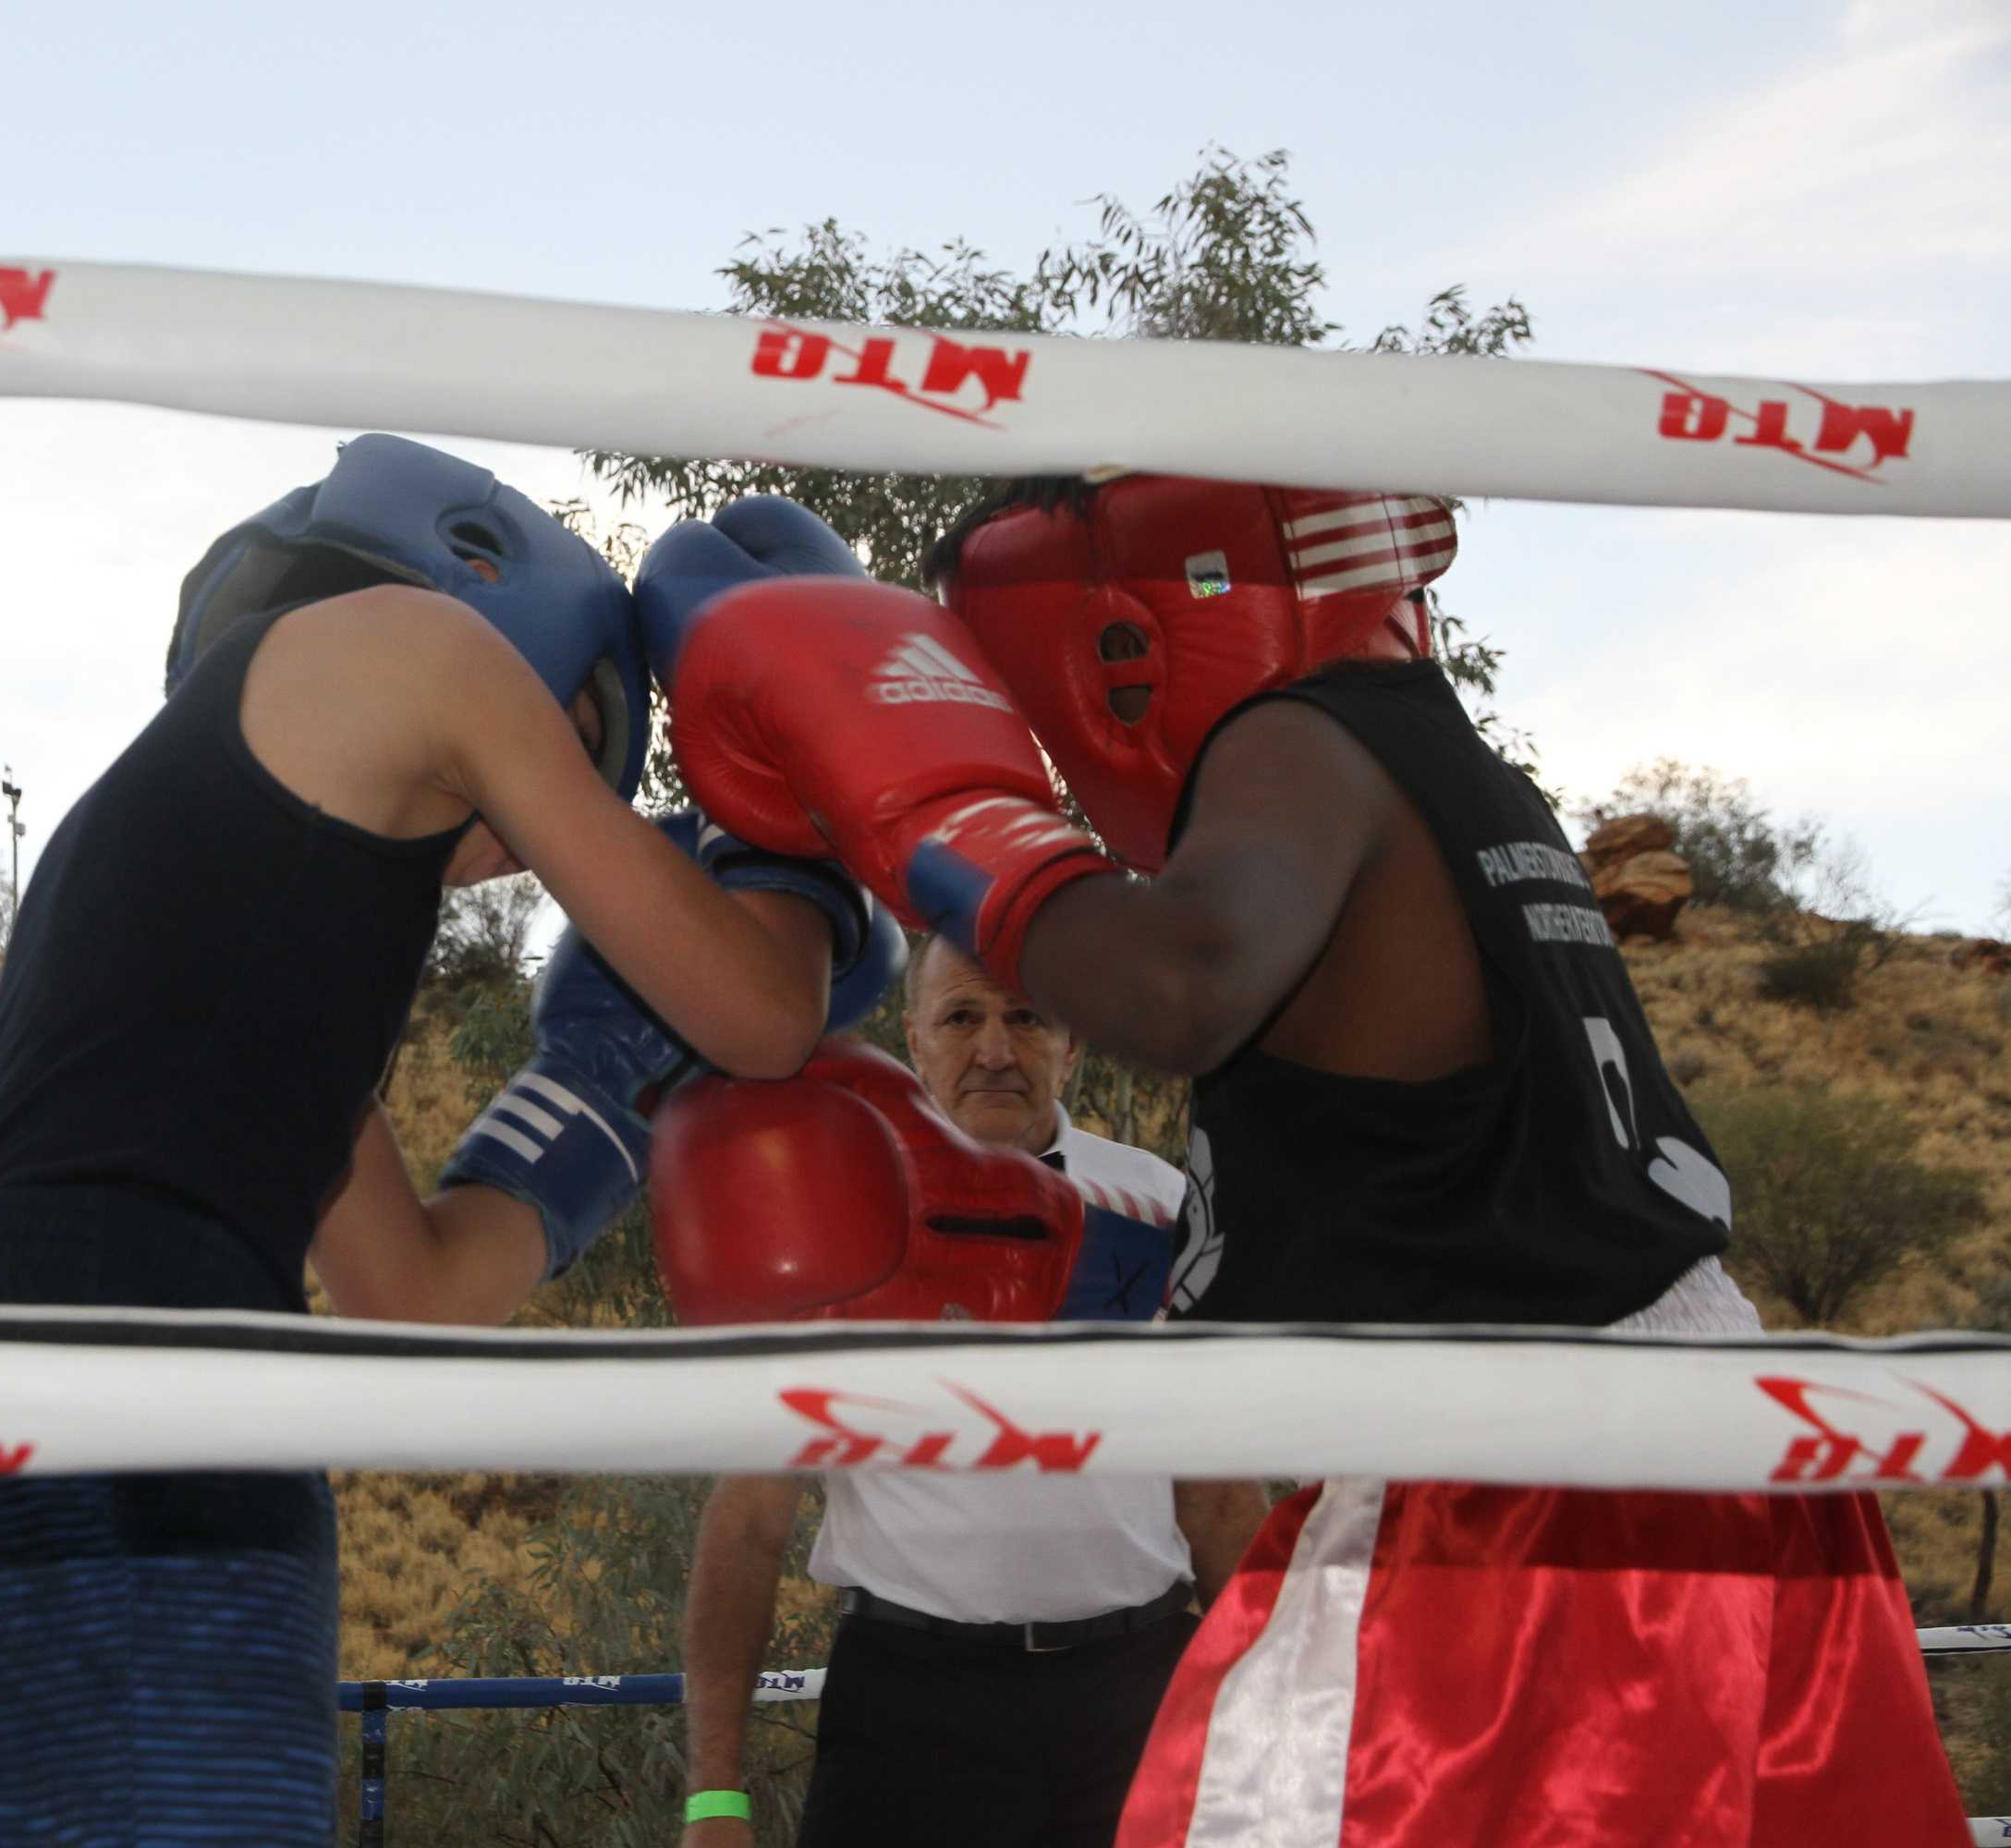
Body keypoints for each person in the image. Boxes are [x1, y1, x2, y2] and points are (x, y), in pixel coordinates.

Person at [652, 475, 1963, 1844]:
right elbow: (1415, 1177)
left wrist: (937, 811)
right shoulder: (1452, 772)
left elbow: (1185, 984)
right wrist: (997, 1238)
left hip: (1522, 1499)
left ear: (1130, 647)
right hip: (1698, 1461)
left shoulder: (1295, 739)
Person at [0, 436, 865, 1848]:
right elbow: (763, 1016)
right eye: (584, 736)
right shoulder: (421, 646)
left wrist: (593, 1088)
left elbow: (412, 1295)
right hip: (140, 1355)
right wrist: (799, 849)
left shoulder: (249, 890)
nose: (516, 853)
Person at [664, 930, 1266, 1848]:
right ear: (915, 1038)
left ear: (1073, 1041)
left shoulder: (1163, 1208)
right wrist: (714, 1798)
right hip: (911, 1707)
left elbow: (1220, 1501)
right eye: (962, 1017)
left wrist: (1276, 1743)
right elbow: (750, 1520)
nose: (995, 1048)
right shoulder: (829, 1220)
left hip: (1138, 1697)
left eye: (1027, 1017)